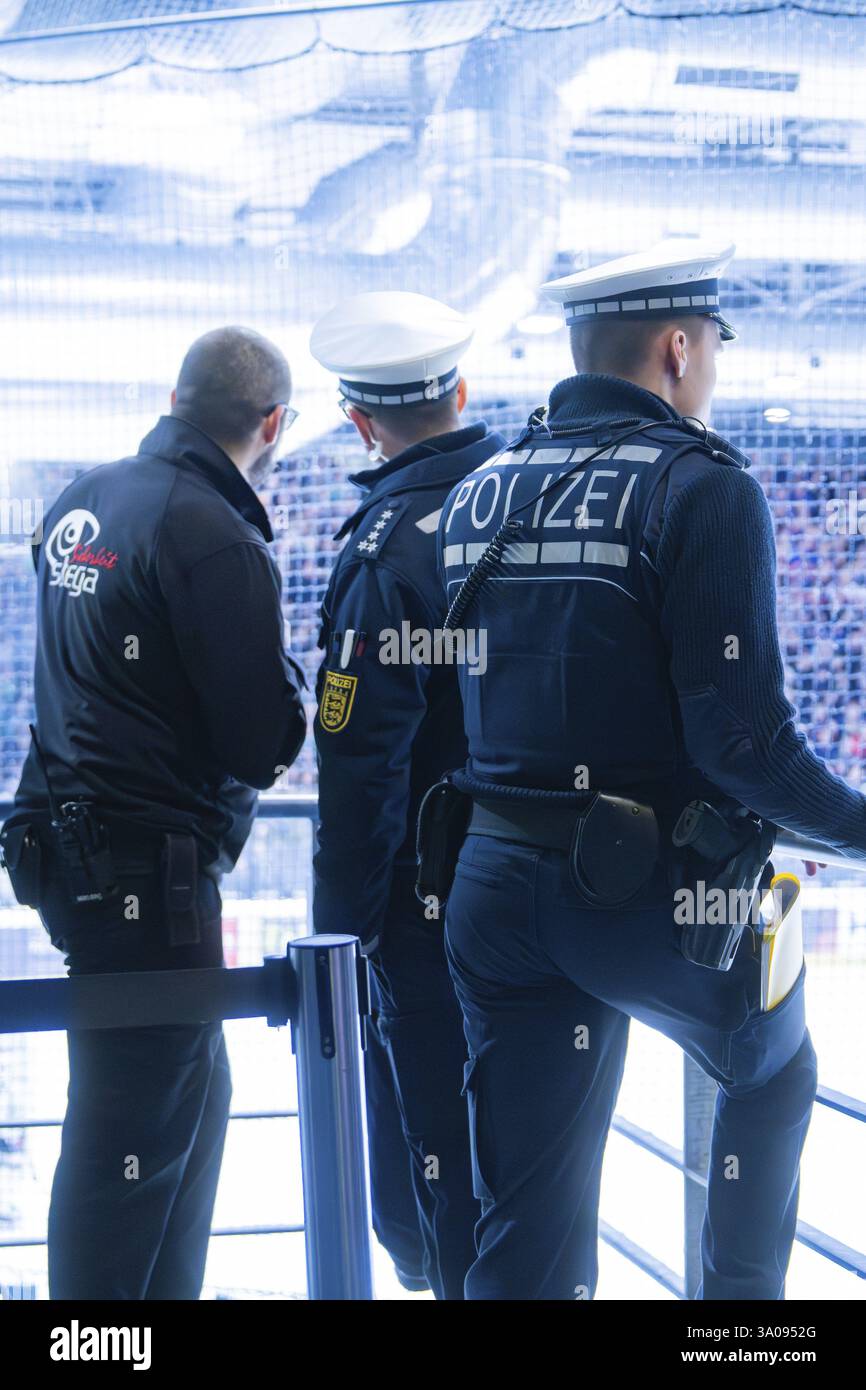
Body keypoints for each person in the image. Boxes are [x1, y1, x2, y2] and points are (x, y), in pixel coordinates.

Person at [435, 239, 866, 1300]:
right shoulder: (701, 487)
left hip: (488, 887)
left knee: (526, 1214)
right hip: (641, 898)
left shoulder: (478, 492)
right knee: (770, 1074)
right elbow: (742, 745)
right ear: (677, 348)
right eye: (709, 345)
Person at [1, 326, 306, 1300]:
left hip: (76, 846)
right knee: (128, 1136)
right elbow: (265, 740)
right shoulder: (213, 532)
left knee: (184, 1105)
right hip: (146, 871)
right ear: (272, 425)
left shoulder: (85, 498)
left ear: (175, 400)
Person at [310, 291, 506, 1299]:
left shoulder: (386, 553)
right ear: (460, 390)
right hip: (547, 894)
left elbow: (357, 771)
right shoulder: (529, 501)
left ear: (358, 419)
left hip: (425, 910)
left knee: (427, 1172)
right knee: (530, 1167)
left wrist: (332, 951)